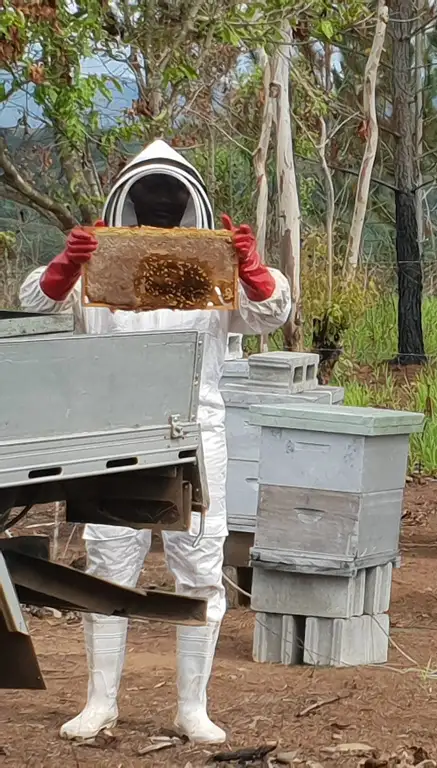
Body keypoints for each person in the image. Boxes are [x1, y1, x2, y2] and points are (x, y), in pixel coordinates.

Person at [20, 139, 292, 743]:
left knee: (198, 565)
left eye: (169, 197)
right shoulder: (101, 266)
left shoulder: (210, 273)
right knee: (108, 562)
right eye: (151, 196)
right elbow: (35, 300)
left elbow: (272, 310)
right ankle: (100, 702)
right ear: (128, 202)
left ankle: (192, 708)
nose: (161, 205)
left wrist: (249, 268)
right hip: (114, 436)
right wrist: (68, 264)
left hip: (196, 435)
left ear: (189, 203)